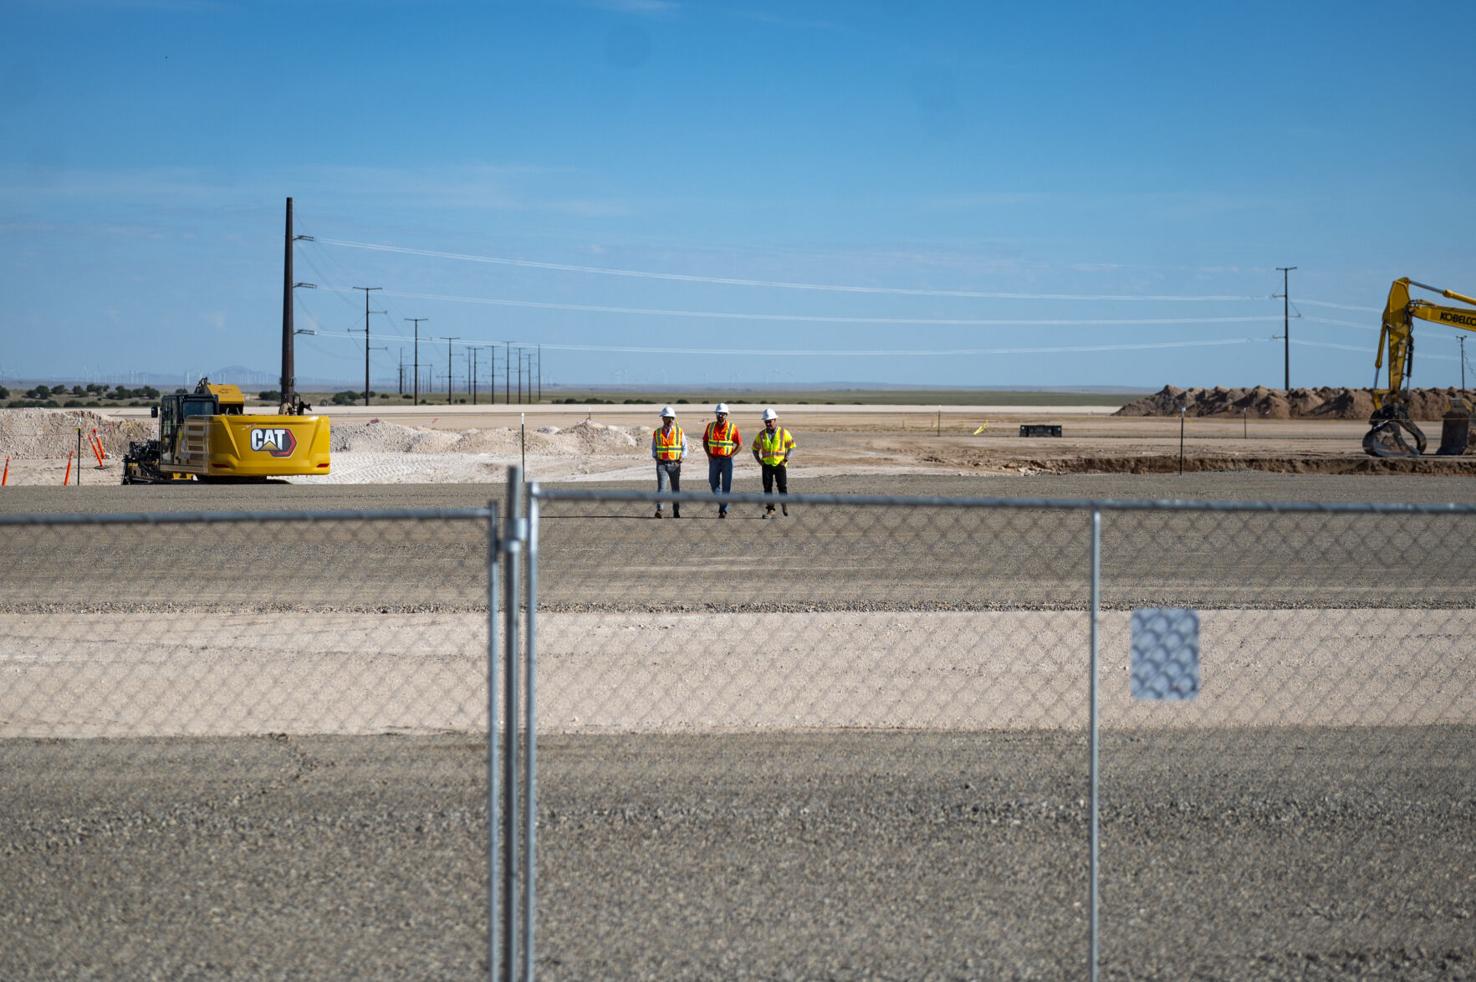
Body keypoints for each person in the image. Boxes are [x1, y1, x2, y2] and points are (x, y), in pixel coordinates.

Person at [751, 407, 795, 518]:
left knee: (782, 486)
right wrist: (760, 461)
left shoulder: (784, 433)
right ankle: (770, 510)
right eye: (766, 421)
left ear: (775, 420)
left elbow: (792, 447)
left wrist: (785, 460)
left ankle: (784, 504)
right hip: (767, 466)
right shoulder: (761, 435)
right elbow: (754, 449)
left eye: (769, 421)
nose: (768, 423)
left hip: (780, 465)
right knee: (767, 488)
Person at [702, 402, 742, 518]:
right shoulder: (710, 426)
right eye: (719, 413)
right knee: (713, 483)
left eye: (723, 414)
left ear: (726, 415)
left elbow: (740, 445)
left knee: (726, 485)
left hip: (727, 460)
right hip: (713, 459)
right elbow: (705, 441)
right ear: (716, 414)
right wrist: (709, 455)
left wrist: (732, 455)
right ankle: (724, 505)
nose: (720, 416)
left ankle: (723, 510)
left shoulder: (732, 427)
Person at [651, 405, 685, 518]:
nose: (670, 420)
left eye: (671, 418)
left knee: (675, 489)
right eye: (667, 417)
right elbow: (654, 448)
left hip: (675, 464)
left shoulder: (679, 432)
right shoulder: (657, 433)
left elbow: (685, 447)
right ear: (662, 418)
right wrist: (656, 458)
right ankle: (659, 510)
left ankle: (676, 511)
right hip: (662, 465)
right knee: (661, 488)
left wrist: (681, 458)